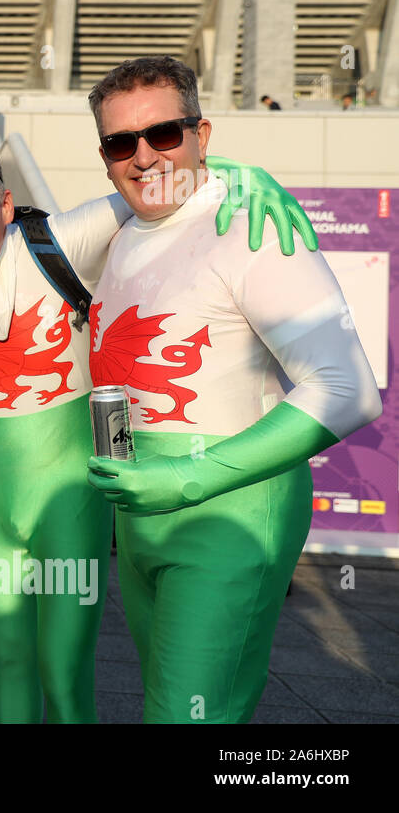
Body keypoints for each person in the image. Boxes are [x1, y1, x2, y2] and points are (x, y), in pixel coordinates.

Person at [0, 137, 315, 723]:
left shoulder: (58, 241)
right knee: (8, 663)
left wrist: (234, 171)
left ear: (6, 206)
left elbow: (152, 181)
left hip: (71, 508)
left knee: (63, 674)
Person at [83, 56, 381, 723]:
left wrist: (190, 479)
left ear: (202, 134)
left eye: (164, 134)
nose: (143, 156)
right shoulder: (120, 232)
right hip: (140, 520)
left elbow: (348, 388)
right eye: (119, 142)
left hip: (230, 515)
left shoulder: (252, 228)